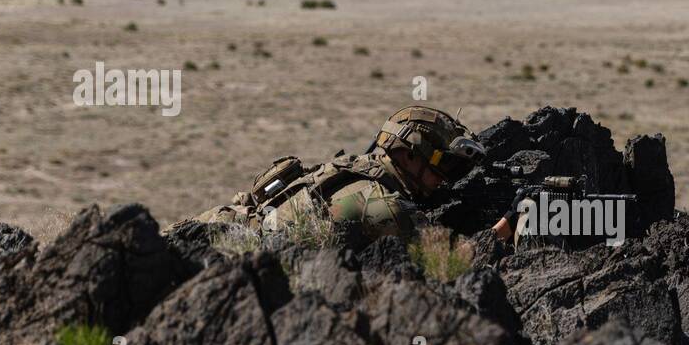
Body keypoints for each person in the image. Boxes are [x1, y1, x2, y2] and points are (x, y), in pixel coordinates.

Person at [183, 106, 486, 242]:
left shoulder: (358, 168)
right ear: (408, 154)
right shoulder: (381, 204)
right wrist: (506, 226)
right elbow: (448, 261)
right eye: (443, 166)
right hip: (220, 246)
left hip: (220, 227)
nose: (445, 179)